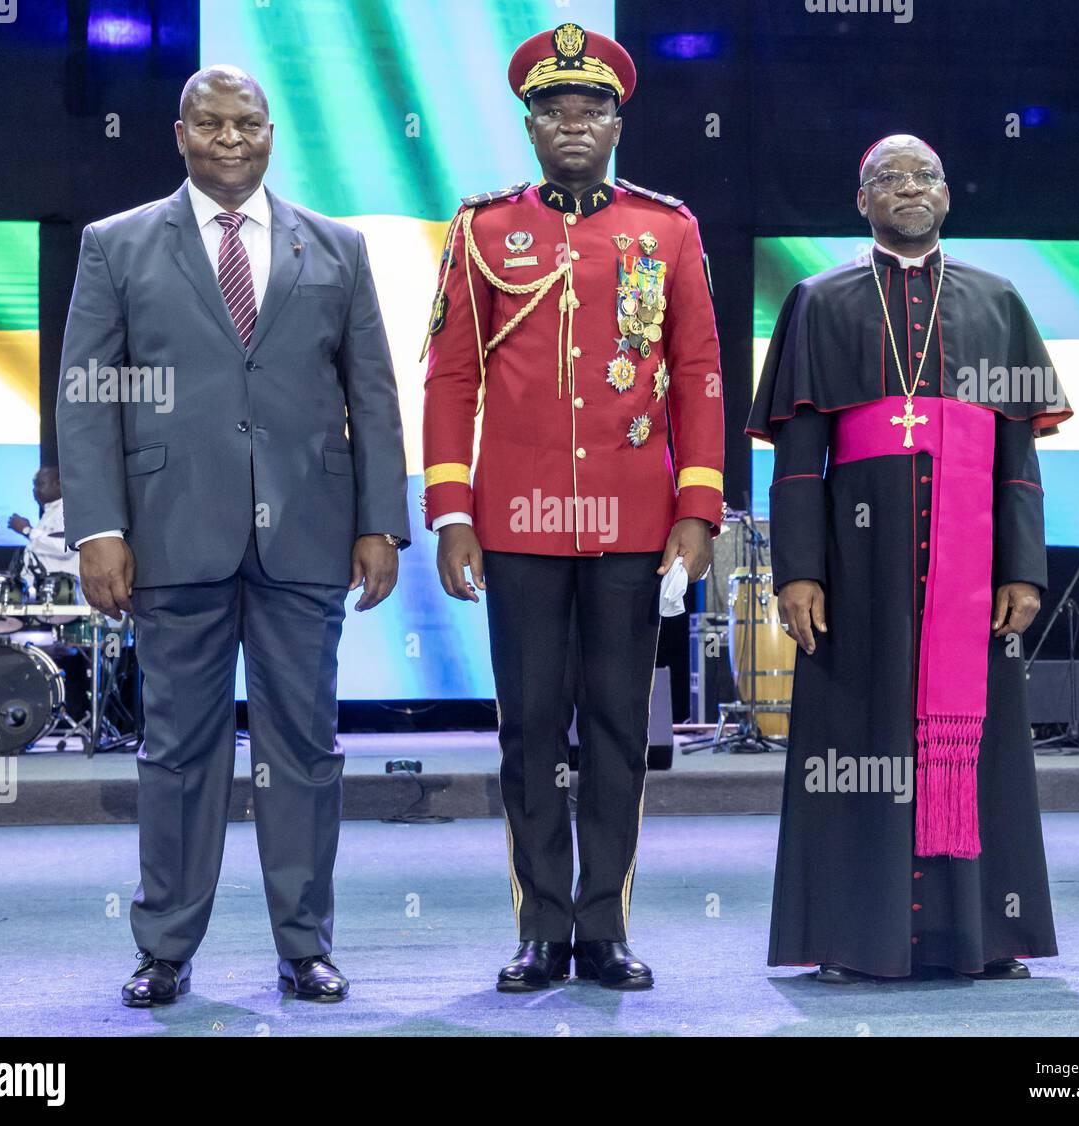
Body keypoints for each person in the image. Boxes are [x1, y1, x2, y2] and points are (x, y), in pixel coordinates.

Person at [57, 65, 410, 1007]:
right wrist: (97, 527)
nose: (229, 138)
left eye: (245, 123)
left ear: (268, 133)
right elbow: (89, 398)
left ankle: (306, 947)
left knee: (305, 748)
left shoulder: (336, 247)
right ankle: (165, 947)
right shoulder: (117, 244)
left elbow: (370, 393)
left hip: (309, 533)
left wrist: (382, 519)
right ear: (179, 134)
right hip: (169, 536)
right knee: (177, 751)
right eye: (209, 123)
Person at [421, 23, 724, 991]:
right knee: (530, 727)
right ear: (529, 123)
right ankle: (539, 926)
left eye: (589, 107)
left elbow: (698, 374)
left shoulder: (665, 228)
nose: (571, 123)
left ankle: (604, 926)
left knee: (613, 733)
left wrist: (697, 507)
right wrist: (451, 508)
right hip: (515, 523)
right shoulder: (480, 228)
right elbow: (449, 379)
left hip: (634, 523)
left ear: (616, 120)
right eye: (553, 109)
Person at [745, 135, 1073, 983]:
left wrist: (1023, 568)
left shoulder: (999, 303)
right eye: (888, 178)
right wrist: (799, 571)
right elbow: (800, 460)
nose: (910, 188)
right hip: (859, 571)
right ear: (862, 201)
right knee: (857, 741)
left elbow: (1017, 459)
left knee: (985, 747)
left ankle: (984, 936)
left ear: (948, 195)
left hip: (971, 578)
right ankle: (855, 938)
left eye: (925, 175)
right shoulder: (820, 302)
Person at [8, 465, 79, 581]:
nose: (35, 490)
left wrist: (27, 530)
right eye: (34, 485)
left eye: (40, 484)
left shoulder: (68, 509)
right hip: (44, 589)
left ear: (58, 484)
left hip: (60, 591)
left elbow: (65, 547)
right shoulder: (50, 511)